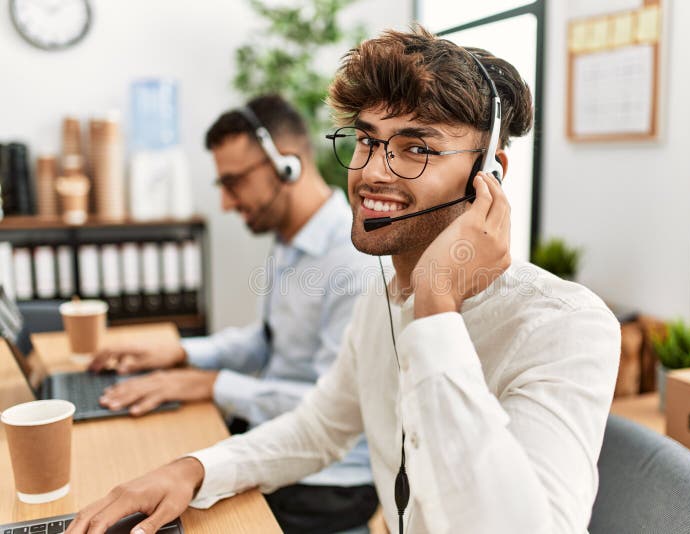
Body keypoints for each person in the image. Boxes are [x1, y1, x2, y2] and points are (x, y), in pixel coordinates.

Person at [68, 27, 620, 534]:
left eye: (416, 148)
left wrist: (436, 303)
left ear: (488, 174)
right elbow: (318, 428)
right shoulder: (384, 298)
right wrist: (193, 470)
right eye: (367, 141)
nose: (372, 171)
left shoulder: (565, 327)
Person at [85, 94, 378, 533]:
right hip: (273, 439)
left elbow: (333, 412)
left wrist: (211, 383)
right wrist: (180, 353)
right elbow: (267, 340)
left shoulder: (356, 262)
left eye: (233, 182)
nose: (225, 202)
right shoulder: (289, 240)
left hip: (328, 478)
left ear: (288, 164)